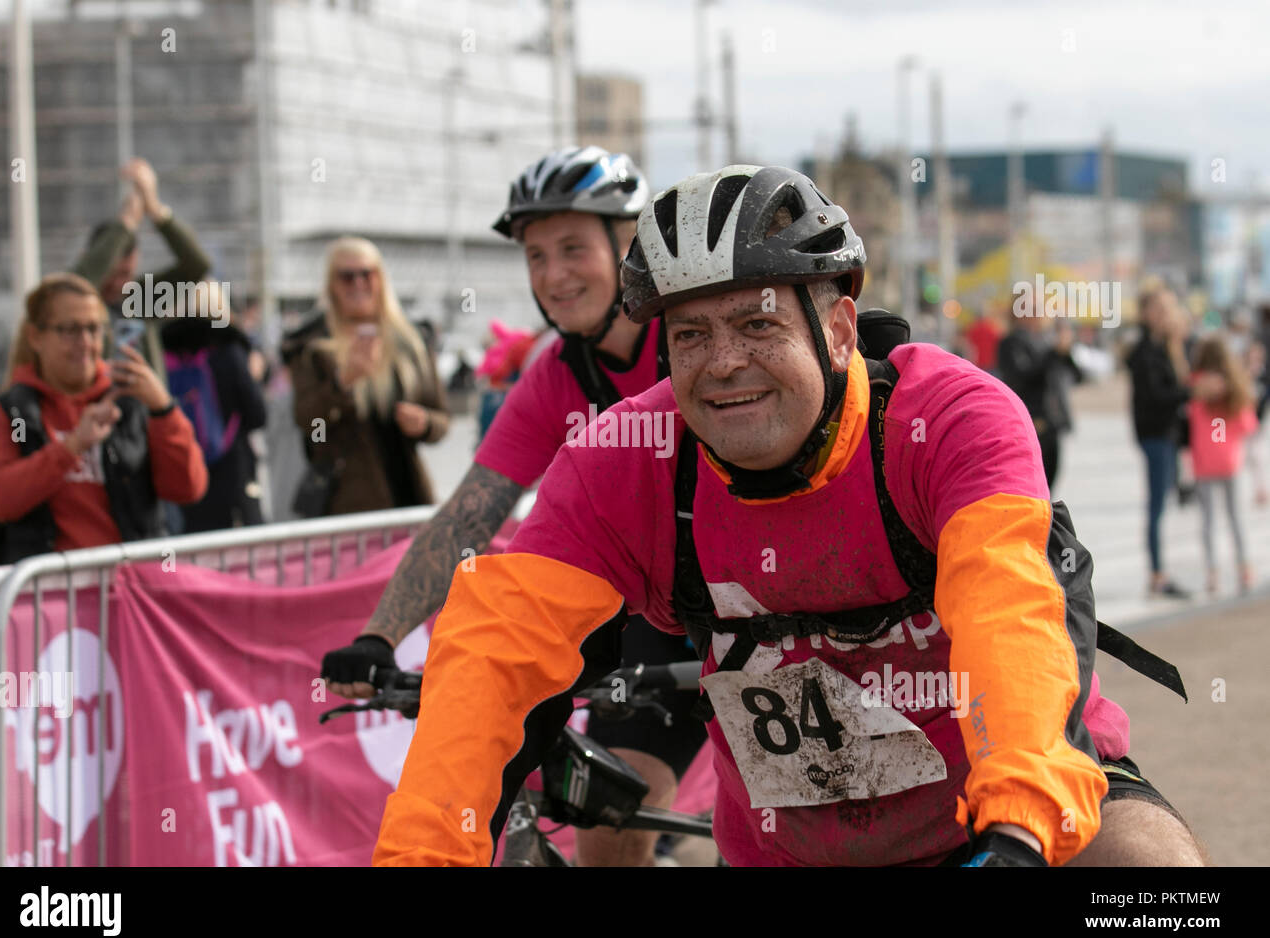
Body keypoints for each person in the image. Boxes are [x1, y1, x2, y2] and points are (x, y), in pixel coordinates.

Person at [371, 165, 1207, 867]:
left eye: (758, 321)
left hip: (1018, 813)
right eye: (690, 335)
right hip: (795, 847)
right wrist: (423, 854)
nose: (724, 362)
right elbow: (489, 662)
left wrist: (1021, 828)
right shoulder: (622, 456)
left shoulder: (946, 416)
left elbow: (1010, 613)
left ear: (839, 329)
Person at [321, 146, 711, 867]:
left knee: (747, 830)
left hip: (746, 602)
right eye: (535, 257)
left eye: (572, 249)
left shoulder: (691, 338)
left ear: (629, 246)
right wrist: (378, 637)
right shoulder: (556, 377)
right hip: (641, 615)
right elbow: (469, 515)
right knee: (592, 829)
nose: (554, 276)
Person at [0, 273, 208, 561]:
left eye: (94, 329)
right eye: (69, 330)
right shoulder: (17, 414)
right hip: (47, 595)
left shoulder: (130, 400)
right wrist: (71, 447)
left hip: (131, 586)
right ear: (36, 337)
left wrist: (164, 409)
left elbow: (187, 488)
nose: (85, 342)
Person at [283, 237, 449, 516]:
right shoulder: (310, 345)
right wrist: (343, 382)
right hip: (347, 503)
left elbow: (441, 417)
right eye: (347, 277)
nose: (359, 283)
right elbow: (309, 423)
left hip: (408, 494)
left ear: (380, 279)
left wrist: (424, 423)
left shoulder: (411, 340)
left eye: (367, 274)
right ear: (332, 285)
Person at [72, 158, 212, 380]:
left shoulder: (139, 299)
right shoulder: (75, 304)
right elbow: (77, 282)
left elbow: (196, 266)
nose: (120, 283)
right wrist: (126, 223)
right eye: (113, 273)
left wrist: (156, 211)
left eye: (127, 274)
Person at [161, 282, 267, 532]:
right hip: (231, 472)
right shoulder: (229, 347)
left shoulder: (164, 349)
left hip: (184, 472)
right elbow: (258, 415)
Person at [1125, 285, 1191, 599]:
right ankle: (1157, 573)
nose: (1166, 314)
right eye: (1160, 308)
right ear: (1146, 313)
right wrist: (1192, 393)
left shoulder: (1168, 347)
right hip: (1155, 435)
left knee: (1164, 501)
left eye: (1169, 307)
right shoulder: (1144, 352)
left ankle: (1160, 571)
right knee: (1156, 505)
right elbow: (1155, 396)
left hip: (1167, 435)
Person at [1188, 336, 1259, 594]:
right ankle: (1244, 568)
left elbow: (1188, 420)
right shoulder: (1235, 388)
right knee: (1236, 518)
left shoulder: (1195, 385)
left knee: (1208, 521)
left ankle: (1213, 573)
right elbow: (1248, 428)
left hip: (1204, 462)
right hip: (1230, 460)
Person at [996, 303, 1083, 491]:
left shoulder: (1045, 340)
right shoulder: (1011, 342)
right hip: (1032, 420)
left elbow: (1076, 376)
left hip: (1052, 421)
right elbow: (1020, 376)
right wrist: (1053, 353)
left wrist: (1065, 353)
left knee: (1050, 485)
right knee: (1033, 487)